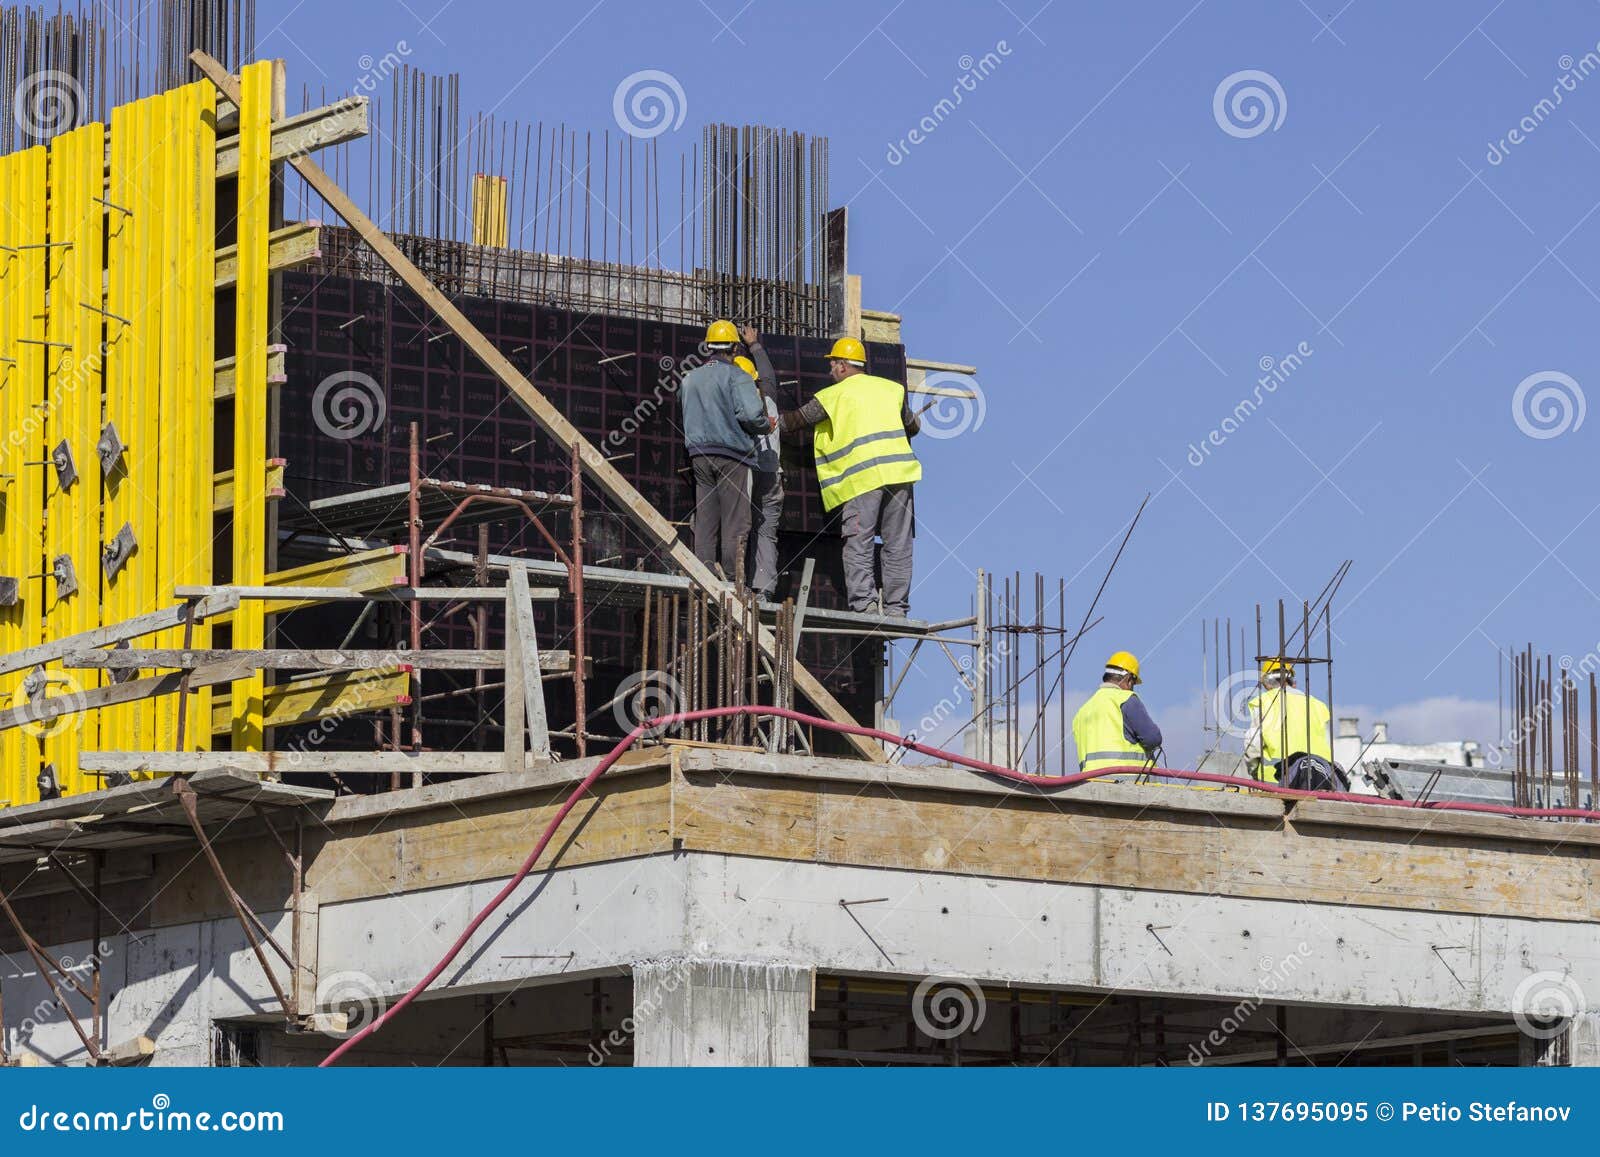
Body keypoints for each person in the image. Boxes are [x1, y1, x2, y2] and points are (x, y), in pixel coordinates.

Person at [778, 336, 921, 618]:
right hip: (900, 474)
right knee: (898, 544)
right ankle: (895, 609)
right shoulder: (891, 390)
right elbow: (913, 426)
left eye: (832, 365)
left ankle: (864, 605)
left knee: (859, 540)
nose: (830, 371)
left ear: (843, 366)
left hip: (863, 478)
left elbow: (795, 421)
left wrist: (768, 421)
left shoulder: (834, 395)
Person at [680, 319, 773, 582]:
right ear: (734, 347)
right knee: (735, 521)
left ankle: (704, 575)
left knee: (706, 520)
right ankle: (733, 580)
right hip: (732, 456)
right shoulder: (738, 376)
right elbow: (752, 416)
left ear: (709, 346)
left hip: (699, 456)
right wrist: (766, 425)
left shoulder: (690, 379)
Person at [737, 325, 783, 601]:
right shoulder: (768, 399)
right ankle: (763, 591)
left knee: (738, 527)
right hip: (773, 475)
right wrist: (755, 345)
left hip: (746, 473)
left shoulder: (736, 402)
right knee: (765, 532)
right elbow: (768, 378)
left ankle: (737, 584)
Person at [1246, 658, 1341, 788]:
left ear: (1267, 683)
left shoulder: (1264, 702)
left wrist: (1254, 772)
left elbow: (1253, 745)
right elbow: (1327, 742)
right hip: (1318, 780)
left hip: (1275, 780)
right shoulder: (1316, 705)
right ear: (1292, 682)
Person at [1071, 651, 1163, 782]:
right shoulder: (1126, 699)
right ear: (1129, 679)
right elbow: (1153, 739)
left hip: (1090, 783)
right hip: (1128, 782)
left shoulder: (1082, 712)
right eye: (1133, 684)